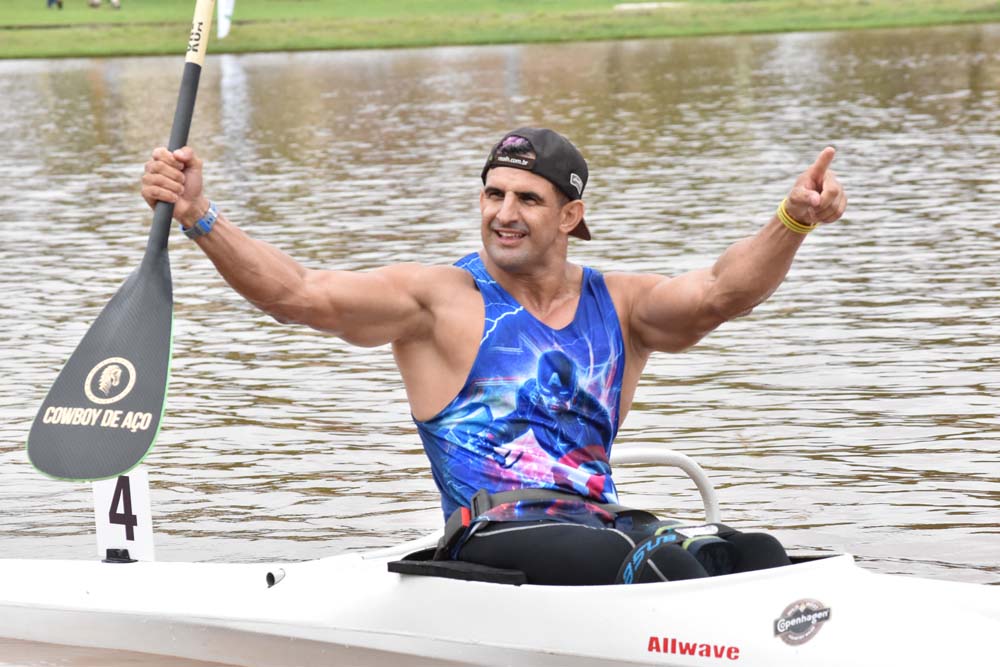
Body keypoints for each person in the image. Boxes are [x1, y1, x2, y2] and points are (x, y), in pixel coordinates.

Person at [141, 128, 847, 585]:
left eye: (527, 199)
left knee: (755, 555)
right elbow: (300, 293)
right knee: (640, 562)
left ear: (570, 216)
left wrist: (792, 220)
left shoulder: (623, 304)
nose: (503, 212)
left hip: (600, 527)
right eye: (493, 192)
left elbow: (722, 292)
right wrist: (201, 217)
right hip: (494, 536)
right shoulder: (437, 300)